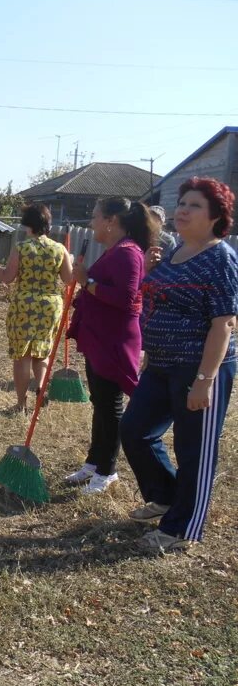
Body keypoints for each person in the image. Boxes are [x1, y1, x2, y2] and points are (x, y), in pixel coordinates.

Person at [120, 177, 238, 553]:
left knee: (194, 450)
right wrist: (149, 272)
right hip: (160, 365)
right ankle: (166, 495)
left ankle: (180, 529)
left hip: (198, 368)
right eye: (182, 202)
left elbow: (224, 324)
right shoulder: (175, 252)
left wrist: (205, 380)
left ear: (216, 216)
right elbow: (158, 300)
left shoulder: (220, 258)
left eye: (194, 205)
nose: (183, 210)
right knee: (134, 429)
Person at [65, 198, 153, 495]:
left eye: (95, 216)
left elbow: (126, 298)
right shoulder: (115, 251)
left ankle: (107, 470)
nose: (92, 223)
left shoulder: (128, 253)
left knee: (110, 406)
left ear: (111, 221)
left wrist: (87, 281)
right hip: (99, 337)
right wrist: (86, 285)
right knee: (100, 403)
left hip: (114, 341)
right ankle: (94, 462)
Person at [0, 203, 73, 412]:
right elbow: (68, 279)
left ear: (27, 225)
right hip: (50, 306)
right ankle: (40, 386)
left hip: (25, 305)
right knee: (42, 351)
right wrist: (69, 259)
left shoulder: (22, 248)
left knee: (22, 355)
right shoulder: (59, 249)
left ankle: (21, 403)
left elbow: (7, 277)